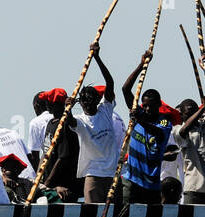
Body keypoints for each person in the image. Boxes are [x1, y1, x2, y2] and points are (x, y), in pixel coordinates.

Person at [119, 49, 179, 204]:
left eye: (150, 106)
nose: (146, 109)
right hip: (131, 180)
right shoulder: (140, 114)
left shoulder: (164, 122)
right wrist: (141, 64)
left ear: (158, 105)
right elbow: (125, 89)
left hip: (151, 184)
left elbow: (157, 133)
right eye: (144, 105)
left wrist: (139, 119)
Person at [68, 44, 119, 204]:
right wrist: (67, 108)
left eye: (92, 99)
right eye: (84, 100)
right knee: (92, 216)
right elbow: (70, 122)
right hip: (94, 175)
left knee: (115, 214)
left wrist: (97, 57)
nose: (88, 103)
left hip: (112, 174)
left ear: (98, 100)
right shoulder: (81, 120)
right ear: (80, 102)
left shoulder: (105, 110)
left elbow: (110, 83)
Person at [173, 96, 205, 207]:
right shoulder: (177, 130)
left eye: (194, 112)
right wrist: (203, 108)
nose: (193, 116)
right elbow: (184, 130)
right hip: (194, 189)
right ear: (181, 115)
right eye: (188, 114)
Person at [40, 90, 79, 201]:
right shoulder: (51, 123)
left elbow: (63, 157)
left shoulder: (65, 125)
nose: (47, 105)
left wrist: (48, 183)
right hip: (49, 184)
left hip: (63, 186)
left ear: (58, 105)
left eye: (50, 102)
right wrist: (39, 178)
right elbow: (45, 153)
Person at [26, 92, 52, 172]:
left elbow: (34, 154)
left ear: (37, 105)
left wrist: (37, 175)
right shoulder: (61, 116)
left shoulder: (35, 122)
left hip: (49, 163)